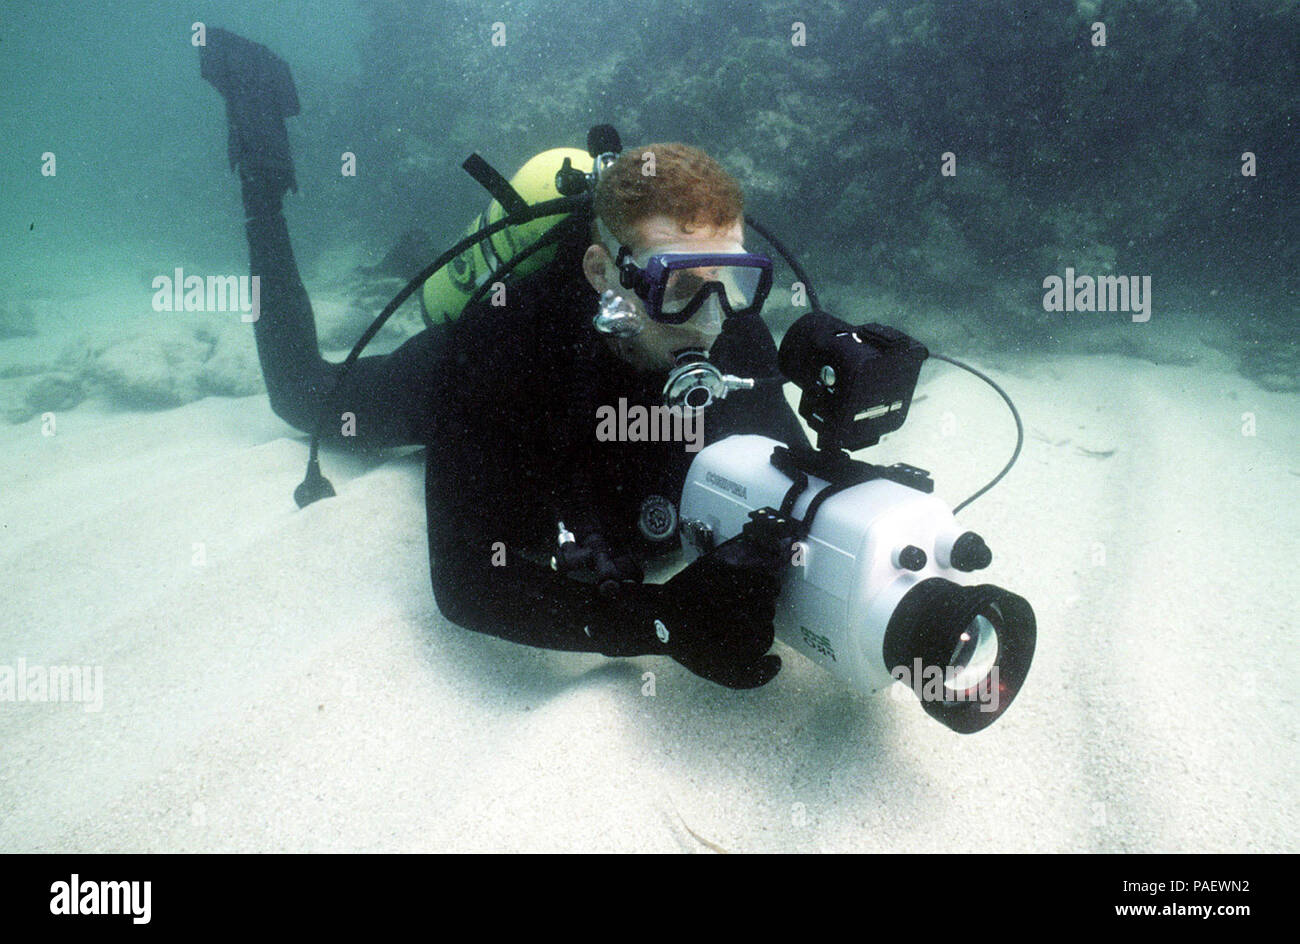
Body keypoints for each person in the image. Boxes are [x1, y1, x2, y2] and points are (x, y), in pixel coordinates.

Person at [201, 29, 811, 690]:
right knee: (301, 393)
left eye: (738, 282)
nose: (715, 317)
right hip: (455, 370)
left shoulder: (734, 335)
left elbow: (794, 480)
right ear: (601, 270)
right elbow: (467, 582)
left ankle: (405, 248)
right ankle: (261, 178)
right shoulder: (507, 343)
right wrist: (661, 622)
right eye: (680, 286)